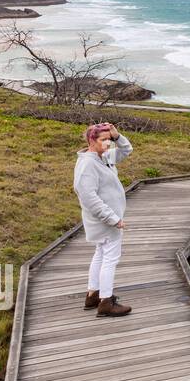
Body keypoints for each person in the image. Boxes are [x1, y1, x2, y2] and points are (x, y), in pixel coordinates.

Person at [73, 123, 134, 317]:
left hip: (107, 220)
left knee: (100, 254)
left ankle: (93, 294)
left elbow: (126, 150)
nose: (107, 144)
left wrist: (117, 136)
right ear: (91, 141)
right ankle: (106, 302)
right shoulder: (88, 164)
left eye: (109, 139)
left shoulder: (103, 156)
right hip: (105, 221)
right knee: (110, 259)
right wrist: (113, 219)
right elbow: (88, 197)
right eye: (103, 140)